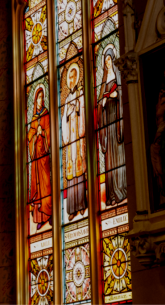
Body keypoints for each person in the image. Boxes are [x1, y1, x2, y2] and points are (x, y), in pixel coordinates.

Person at [96, 52, 127, 206]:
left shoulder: (118, 77)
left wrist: (117, 94)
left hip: (117, 122)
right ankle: (111, 195)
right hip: (108, 121)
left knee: (119, 154)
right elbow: (99, 103)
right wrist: (101, 103)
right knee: (110, 158)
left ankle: (121, 189)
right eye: (105, 60)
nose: (107, 63)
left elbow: (123, 91)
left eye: (109, 59)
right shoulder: (103, 83)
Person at [62, 65, 87, 217]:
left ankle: (82, 204)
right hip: (70, 141)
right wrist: (68, 113)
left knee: (79, 171)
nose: (71, 80)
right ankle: (72, 209)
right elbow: (63, 120)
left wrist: (76, 108)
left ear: (77, 78)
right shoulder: (65, 101)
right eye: (69, 78)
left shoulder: (81, 94)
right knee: (71, 175)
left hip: (78, 139)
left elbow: (82, 112)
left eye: (73, 77)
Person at [26, 88, 52, 230]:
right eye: (39, 98)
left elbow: (49, 131)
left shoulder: (46, 114)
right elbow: (29, 134)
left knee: (46, 185)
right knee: (37, 188)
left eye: (42, 97)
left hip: (44, 157)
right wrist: (35, 135)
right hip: (36, 157)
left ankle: (48, 213)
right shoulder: (34, 118)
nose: (41, 100)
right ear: (36, 100)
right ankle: (39, 218)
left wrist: (44, 134)